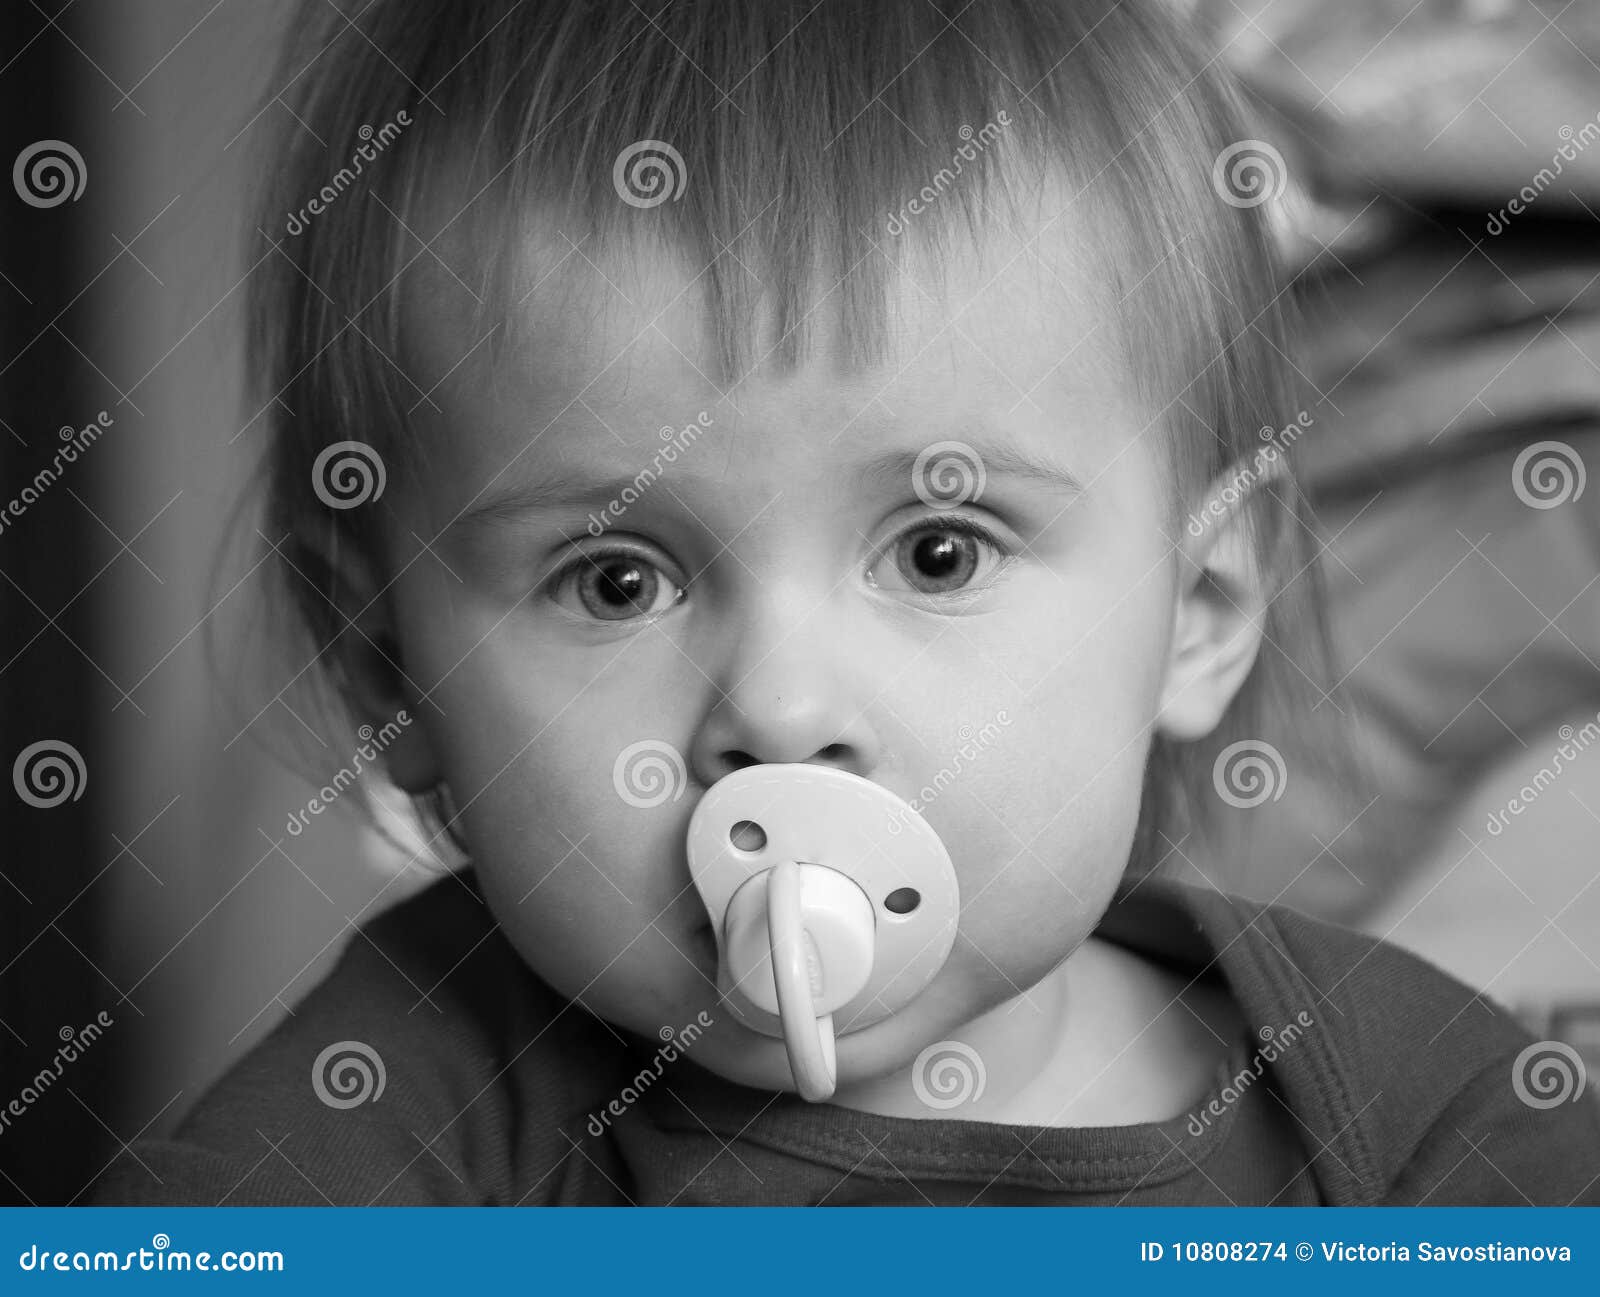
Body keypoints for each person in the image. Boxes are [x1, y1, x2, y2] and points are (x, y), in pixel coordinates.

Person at [94, 0, 1600, 1205]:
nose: (787, 710)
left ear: (1199, 605)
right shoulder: (411, 1103)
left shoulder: (1419, 1128)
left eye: (941, 550)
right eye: (616, 578)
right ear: (392, 679)